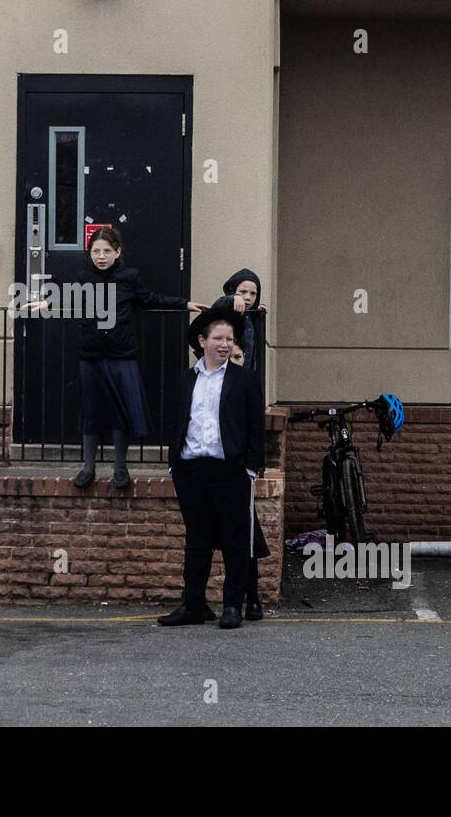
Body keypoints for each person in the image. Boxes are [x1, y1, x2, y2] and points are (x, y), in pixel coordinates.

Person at [71, 227, 207, 489]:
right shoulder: (83, 277)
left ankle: (120, 468)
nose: (101, 256)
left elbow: (149, 299)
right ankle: (88, 467)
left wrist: (184, 304)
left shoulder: (129, 277)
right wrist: (44, 302)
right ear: (90, 254)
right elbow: (68, 300)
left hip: (121, 355)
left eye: (107, 251)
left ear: (118, 252)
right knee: (91, 410)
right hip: (91, 355)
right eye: (96, 251)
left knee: (121, 413)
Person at [158, 307, 264, 630]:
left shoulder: (244, 379)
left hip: (230, 470)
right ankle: (193, 604)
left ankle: (232, 604)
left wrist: (251, 469)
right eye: (218, 338)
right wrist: (175, 465)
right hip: (191, 470)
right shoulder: (186, 379)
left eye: (229, 340)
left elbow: (255, 427)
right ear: (202, 341)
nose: (225, 344)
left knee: (235, 539)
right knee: (197, 540)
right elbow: (178, 421)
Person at [228, 343, 271, 620]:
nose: (235, 361)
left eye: (239, 356)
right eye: (231, 356)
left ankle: (251, 597)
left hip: (240, 469)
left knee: (248, 535)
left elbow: (257, 427)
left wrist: (253, 466)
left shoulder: (248, 383)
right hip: (213, 468)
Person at [212, 268, 267, 387]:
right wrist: (232, 299)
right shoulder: (226, 307)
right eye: (243, 292)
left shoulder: (252, 313)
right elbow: (216, 307)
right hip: (223, 373)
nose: (248, 297)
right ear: (233, 291)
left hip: (247, 371)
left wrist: (259, 315)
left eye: (253, 294)